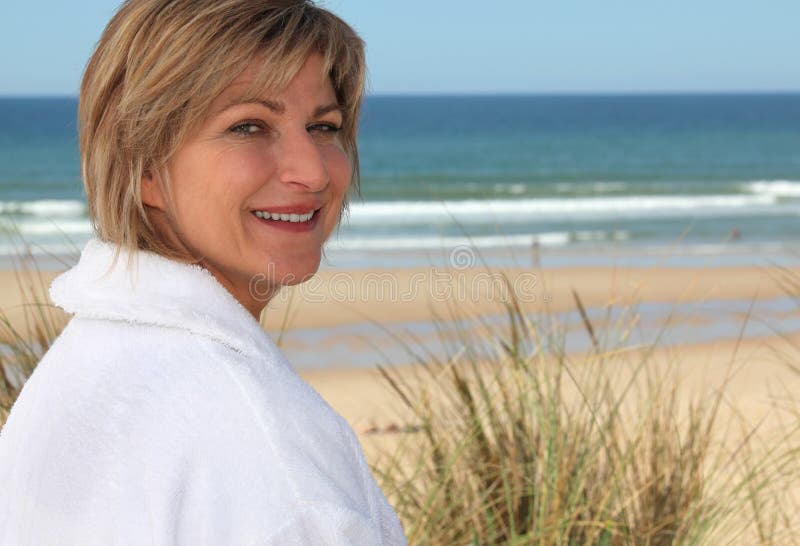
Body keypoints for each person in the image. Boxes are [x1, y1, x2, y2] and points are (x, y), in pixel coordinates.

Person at [0, 1, 406, 544]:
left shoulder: (87, 363)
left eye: (323, 126)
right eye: (248, 126)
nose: (311, 171)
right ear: (141, 164)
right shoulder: (257, 438)